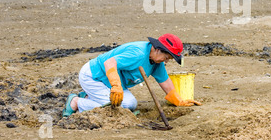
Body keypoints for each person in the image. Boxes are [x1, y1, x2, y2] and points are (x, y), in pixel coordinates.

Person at [62, 33, 201, 117]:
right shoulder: (138, 54)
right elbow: (110, 63)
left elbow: (165, 81)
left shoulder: (156, 62)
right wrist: (116, 86)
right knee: (119, 106)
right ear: (158, 50)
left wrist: (178, 100)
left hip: (108, 82)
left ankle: (89, 96)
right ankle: (76, 102)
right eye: (167, 57)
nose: (167, 61)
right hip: (93, 76)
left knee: (130, 104)